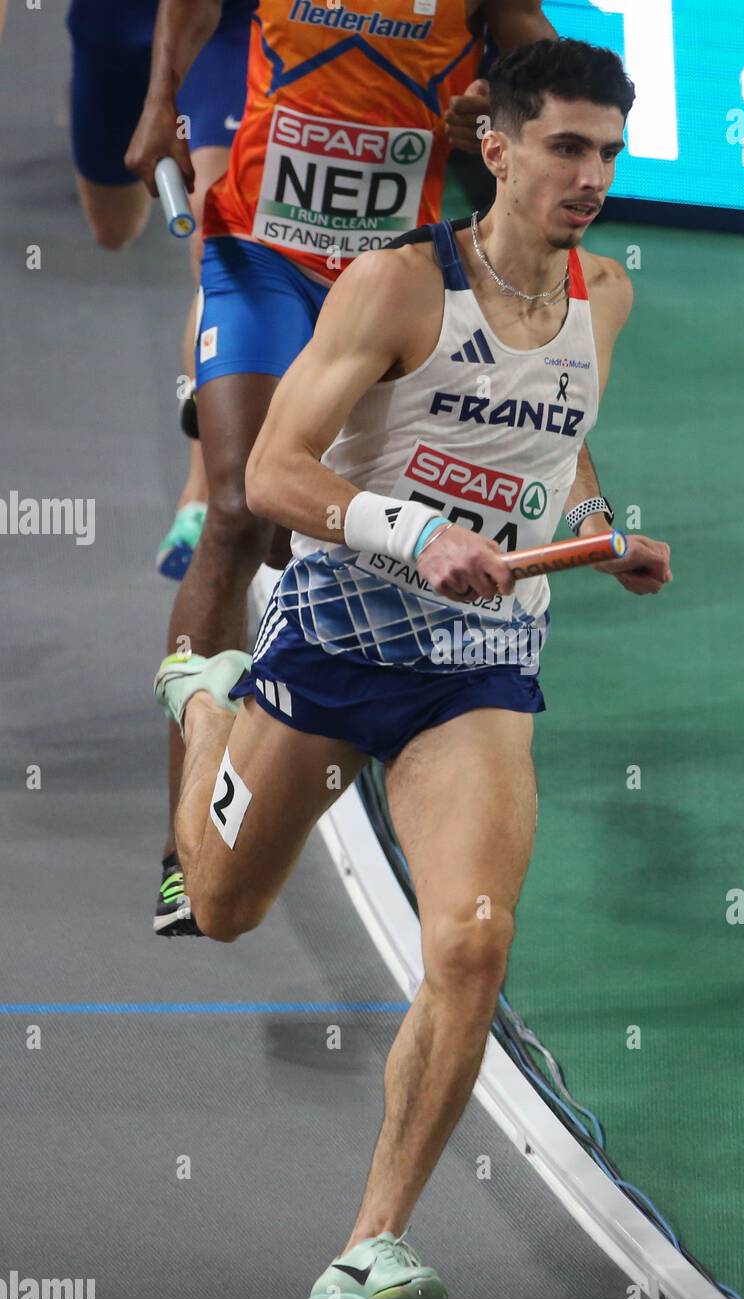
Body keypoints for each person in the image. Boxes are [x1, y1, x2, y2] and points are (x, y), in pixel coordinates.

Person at [153, 37, 672, 1299]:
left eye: (608, 151)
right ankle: (210, 694)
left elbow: (561, 452)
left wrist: (595, 537)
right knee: (224, 906)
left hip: (478, 673)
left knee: (475, 943)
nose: (591, 173)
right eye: (565, 146)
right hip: (333, 645)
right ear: (493, 144)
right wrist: (418, 533)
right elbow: (271, 474)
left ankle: (370, 1244)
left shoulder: (605, 292)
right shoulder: (394, 287)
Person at [125, 0, 559, 938]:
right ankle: (179, 849)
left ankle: (306, 697)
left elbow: (548, 71)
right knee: (240, 510)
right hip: (260, 249)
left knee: (298, 521)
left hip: (391, 277)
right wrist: (160, 102)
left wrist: (493, 113)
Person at [67, 0, 256, 583]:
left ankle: (205, 495)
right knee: (114, 227)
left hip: (224, 23)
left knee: (222, 240)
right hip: (115, 25)